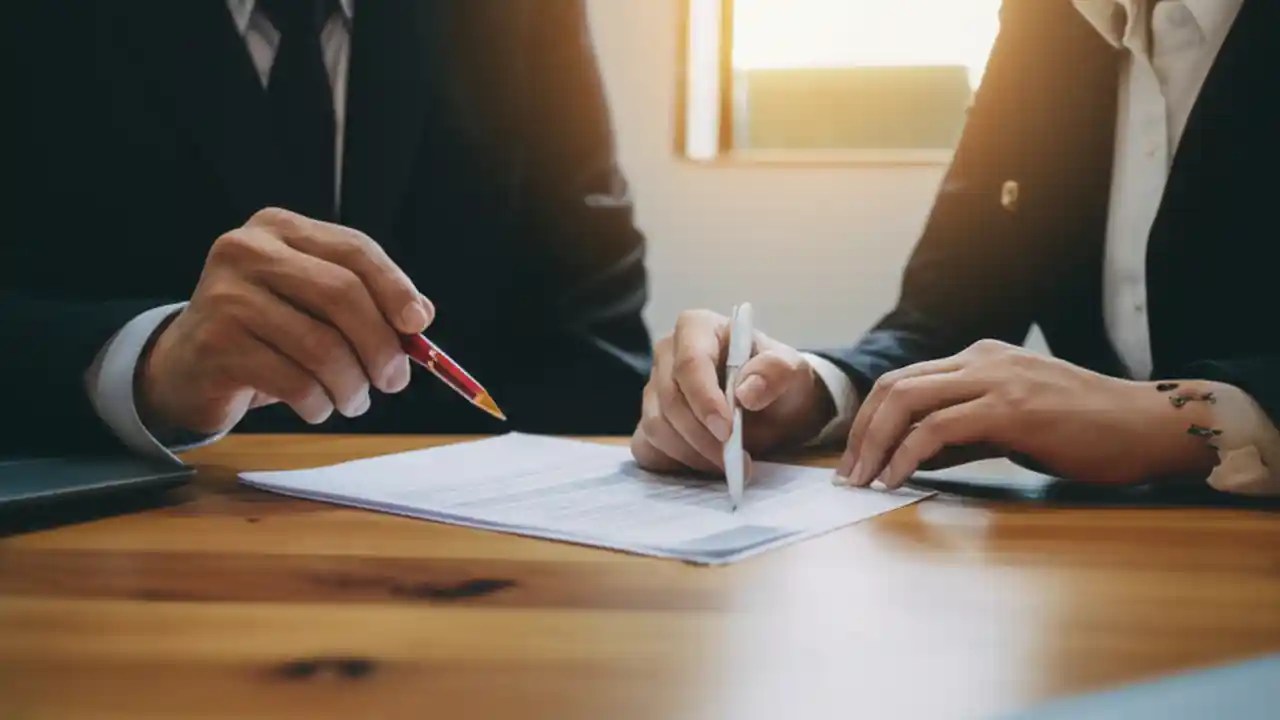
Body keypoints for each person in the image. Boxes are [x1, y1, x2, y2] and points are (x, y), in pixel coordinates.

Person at [632, 0, 1280, 496]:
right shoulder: (1050, 20)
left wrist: (1165, 419)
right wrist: (810, 391)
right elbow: (944, 320)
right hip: (1099, 568)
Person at [1, 1, 650, 458]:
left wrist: (687, 420)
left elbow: (597, 338)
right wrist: (146, 367)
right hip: (114, 559)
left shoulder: (523, 15)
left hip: (473, 564)